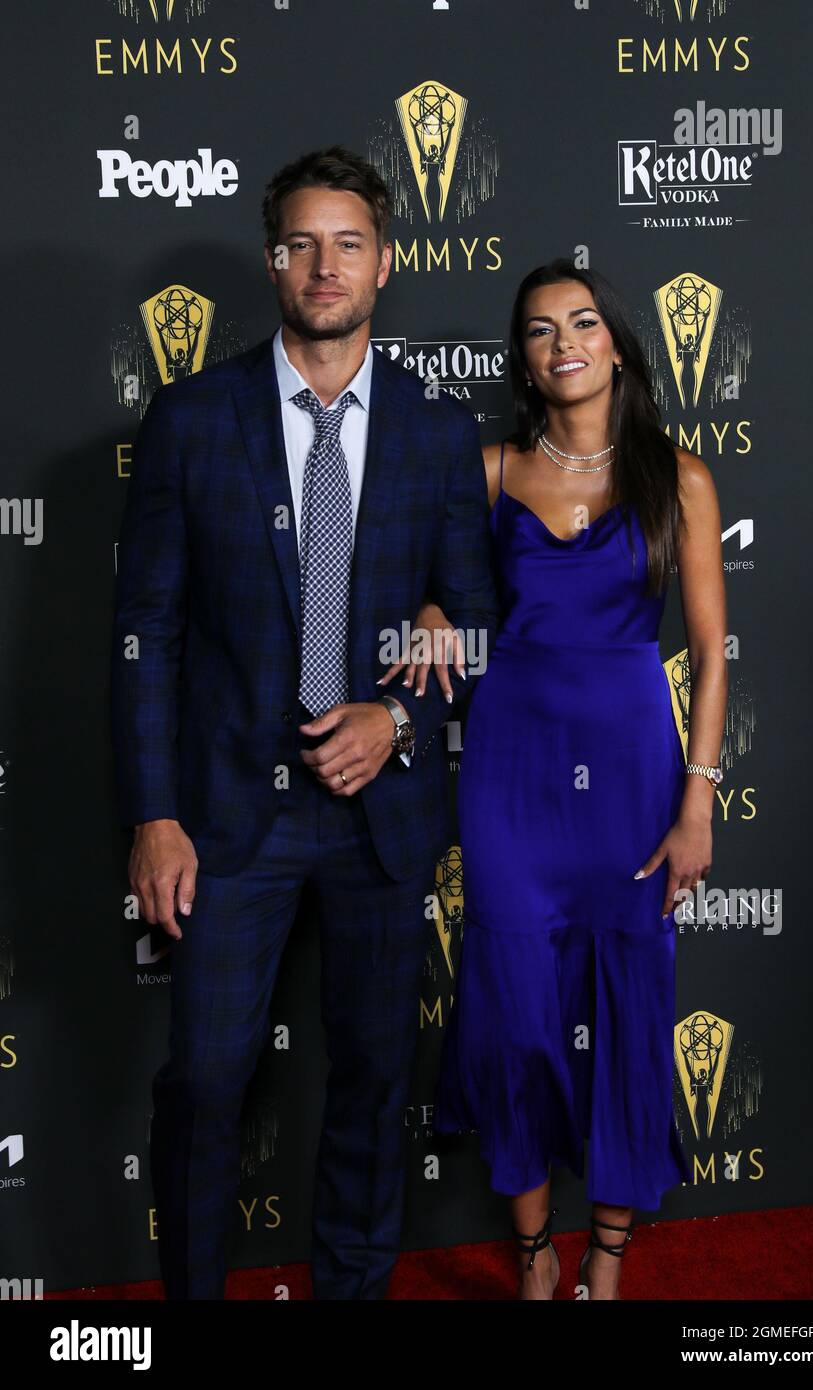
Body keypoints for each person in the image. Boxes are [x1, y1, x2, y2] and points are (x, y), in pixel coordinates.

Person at [109, 145, 498, 1300]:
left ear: (383, 262)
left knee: (376, 1081)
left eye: (347, 244)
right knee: (206, 1081)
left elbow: (474, 628)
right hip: (228, 814)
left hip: (380, 815)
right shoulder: (190, 418)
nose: (323, 268)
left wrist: (394, 716)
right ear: (270, 261)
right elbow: (145, 633)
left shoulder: (436, 426)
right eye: (299, 245)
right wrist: (154, 814)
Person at [389, 262, 727, 1300]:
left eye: (581, 322)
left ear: (616, 343)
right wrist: (442, 613)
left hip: (631, 767)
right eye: (538, 331)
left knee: (630, 999)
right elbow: (435, 594)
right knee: (512, 1012)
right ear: (524, 364)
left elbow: (712, 653)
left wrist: (696, 799)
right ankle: (534, 1251)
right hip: (510, 770)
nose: (562, 342)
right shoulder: (487, 473)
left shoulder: (680, 476)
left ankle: (606, 1258)